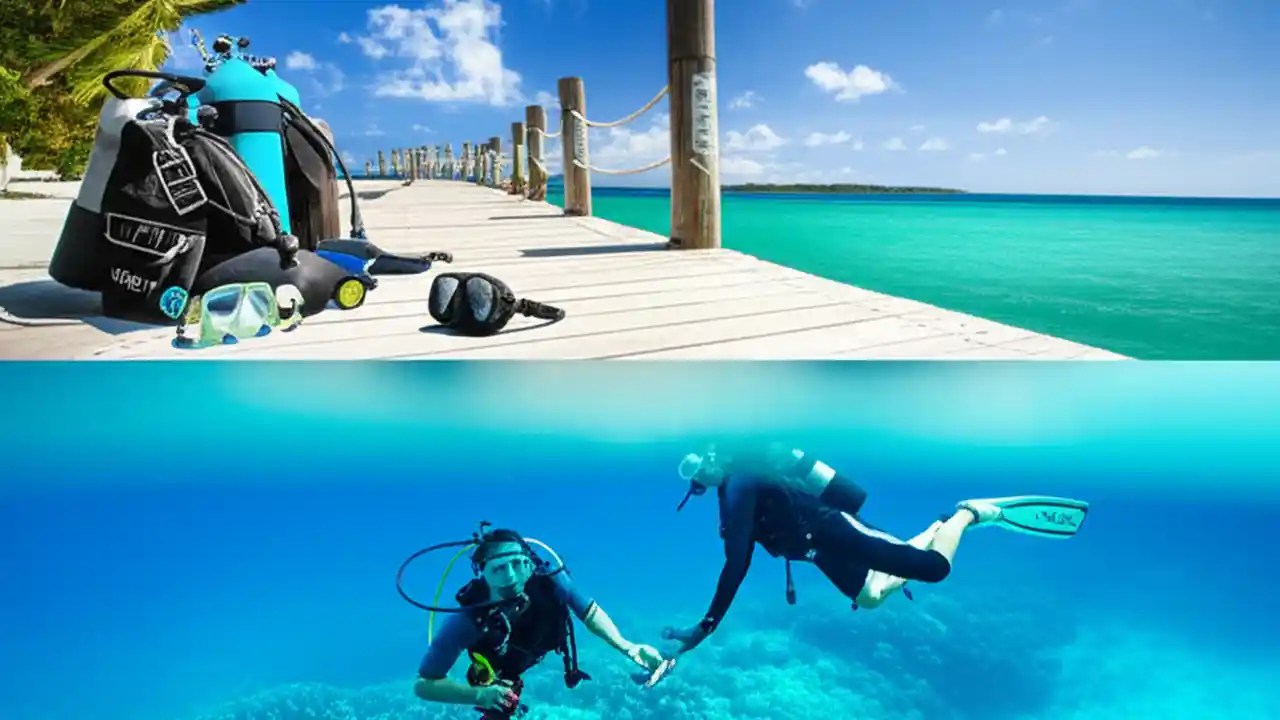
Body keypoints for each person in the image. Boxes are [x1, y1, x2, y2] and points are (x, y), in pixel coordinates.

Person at [659, 441, 1088, 662]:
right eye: (691, 473)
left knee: (934, 569)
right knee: (869, 598)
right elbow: (739, 557)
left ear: (711, 459)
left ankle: (969, 513)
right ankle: (937, 528)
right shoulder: (731, 492)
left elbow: (737, 564)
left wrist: (706, 626)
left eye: (696, 466)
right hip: (816, 551)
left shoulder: (740, 483)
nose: (696, 477)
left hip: (833, 529)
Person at [414, 527, 666, 717]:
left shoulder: (551, 581)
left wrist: (627, 646)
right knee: (499, 706)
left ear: (528, 564)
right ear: (483, 573)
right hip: (502, 670)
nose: (510, 577)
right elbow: (424, 684)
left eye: (517, 565)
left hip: (537, 646)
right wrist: (478, 695)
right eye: (498, 569)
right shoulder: (469, 618)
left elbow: (589, 612)